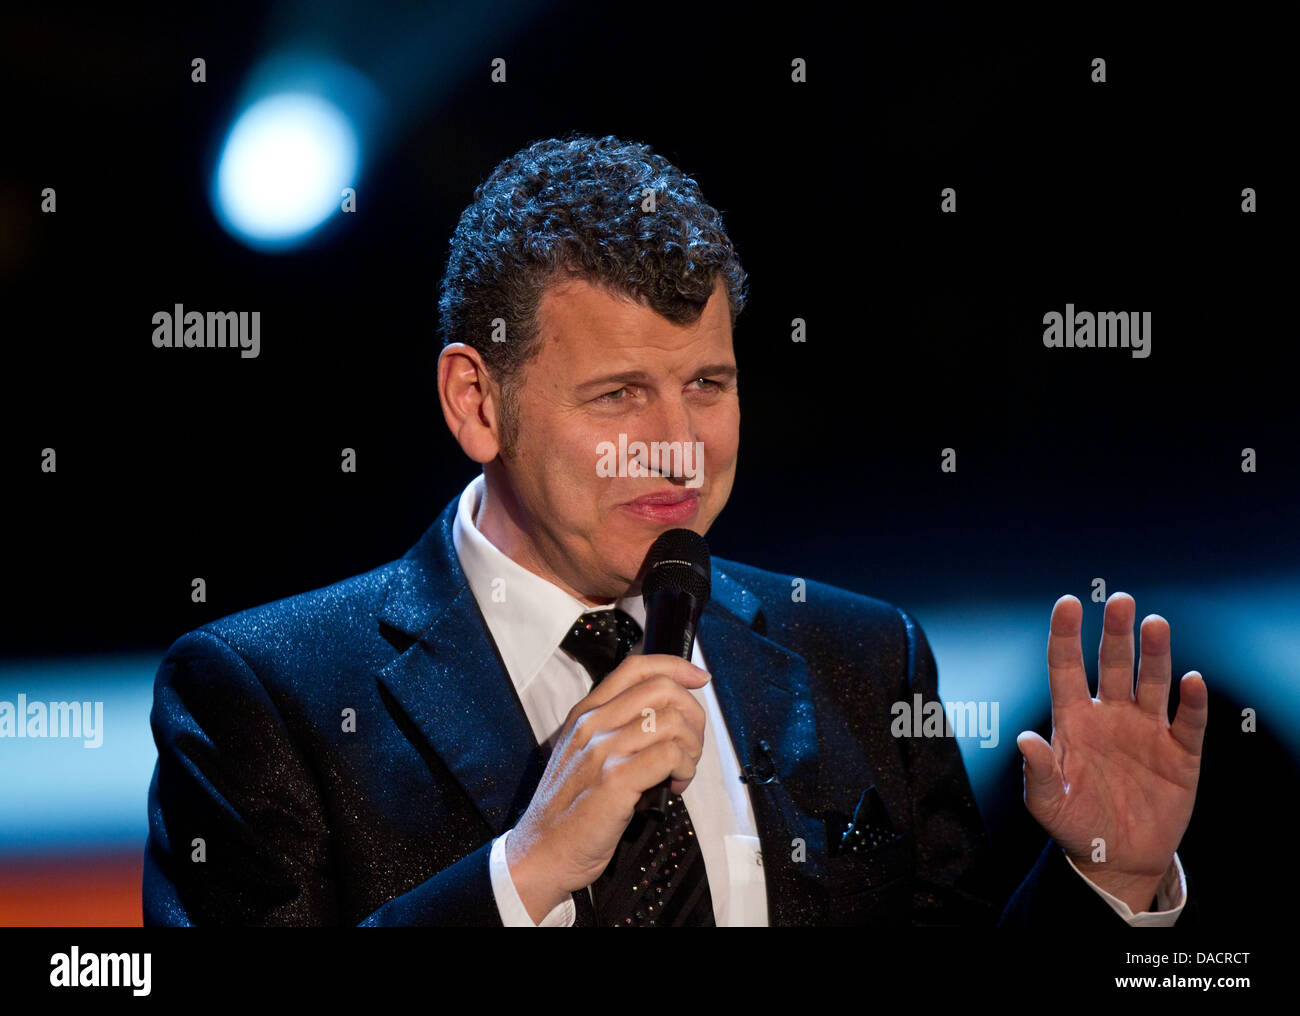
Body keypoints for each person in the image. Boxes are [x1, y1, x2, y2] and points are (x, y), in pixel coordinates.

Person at [143, 134, 1206, 926]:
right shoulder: (265, 695)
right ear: (476, 402)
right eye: (616, 395)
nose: (675, 444)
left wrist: (1104, 881)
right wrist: (522, 873)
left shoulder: (863, 657)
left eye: (706, 383)